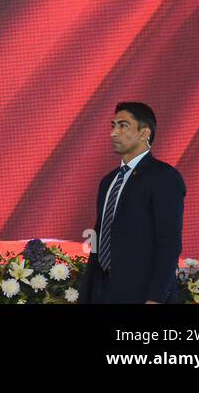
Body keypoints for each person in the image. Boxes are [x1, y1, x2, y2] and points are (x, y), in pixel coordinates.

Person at [78, 102, 185, 304]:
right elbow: (100, 239)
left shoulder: (164, 177)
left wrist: (156, 298)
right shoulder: (108, 181)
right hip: (104, 293)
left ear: (145, 133)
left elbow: (169, 244)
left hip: (142, 295)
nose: (113, 133)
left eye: (123, 125)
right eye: (113, 125)